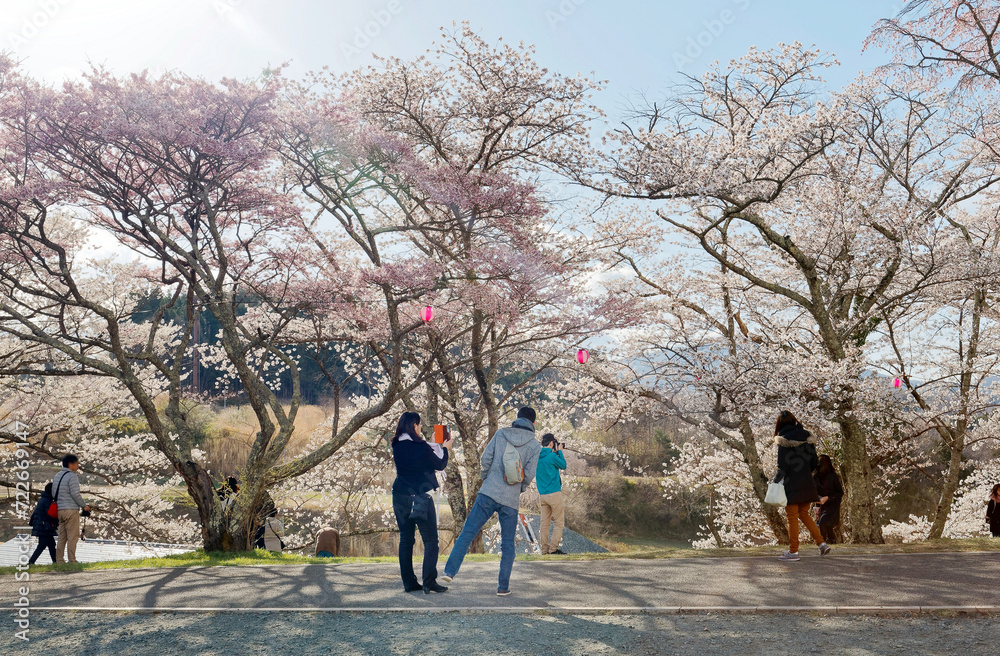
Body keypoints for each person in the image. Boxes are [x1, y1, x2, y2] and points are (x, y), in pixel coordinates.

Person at [441, 407, 542, 596]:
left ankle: (449, 572)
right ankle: (503, 587)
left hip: (488, 493)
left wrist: (487, 477)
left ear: (517, 418)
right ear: (533, 424)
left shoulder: (501, 433)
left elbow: (485, 458)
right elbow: (528, 475)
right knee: (507, 544)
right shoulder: (535, 446)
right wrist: (517, 488)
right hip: (510, 501)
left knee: (468, 533)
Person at [391, 411, 451, 594]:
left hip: (400, 495)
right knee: (431, 540)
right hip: (420, 497)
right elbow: (439, 464)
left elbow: (418, 459)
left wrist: (431, 444)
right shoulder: (421, 446)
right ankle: (429, 582)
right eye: (420, 425)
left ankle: (409, 583)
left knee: (406, 540)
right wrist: (445, 447)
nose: (421, 428)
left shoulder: (396, 445)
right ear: (414, 425)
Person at [773, 411, 830, 561]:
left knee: (792, 517)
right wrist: (804, 473)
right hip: (807, 482)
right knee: (804, 514)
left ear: (780, 425)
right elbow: (814, 463)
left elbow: (782, 467)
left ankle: (793, 552)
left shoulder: (783, 441)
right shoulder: (808, 439)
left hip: (791, 484)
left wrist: (774, 483)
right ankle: (822, 544)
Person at [52, 454, 91, 564]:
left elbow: (53, 493)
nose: (78, 466)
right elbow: (75, 494)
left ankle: (59, 560)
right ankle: (72, 560)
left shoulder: (57, 476)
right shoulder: (72, 476)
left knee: (62, 537)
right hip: (70, 509)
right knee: (73, 536)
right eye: (77, 463)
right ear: (71, 464)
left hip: (60, 510)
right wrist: (84, 506)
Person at [537, 433, 568, 555]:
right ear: (551, 443)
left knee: (544, 524)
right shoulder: (551, 456)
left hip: (543, 495)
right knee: (558, 522)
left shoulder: (537, 456)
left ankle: (544, 550)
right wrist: (559, 451)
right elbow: (563, 465)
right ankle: (553, 549)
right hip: (554, 493)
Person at [813, 454, 844, 544]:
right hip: (819, 504)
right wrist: (816, 498)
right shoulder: (815, 476)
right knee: (828, 526)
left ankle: (822, 543)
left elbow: (840, 492)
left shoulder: (833, 476)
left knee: (823, 522)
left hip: (832, 505)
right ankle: (832, 542)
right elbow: (811, 490)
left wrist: (828, 498)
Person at [28, 483, 59, 565]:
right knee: (42, 545)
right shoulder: (47, 501)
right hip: (44, 526)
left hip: (42, 525)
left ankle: (56, 562)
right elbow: (49, 515)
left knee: (51, 544)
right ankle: (31, 562)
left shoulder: (43, 499)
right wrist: (57, 522)